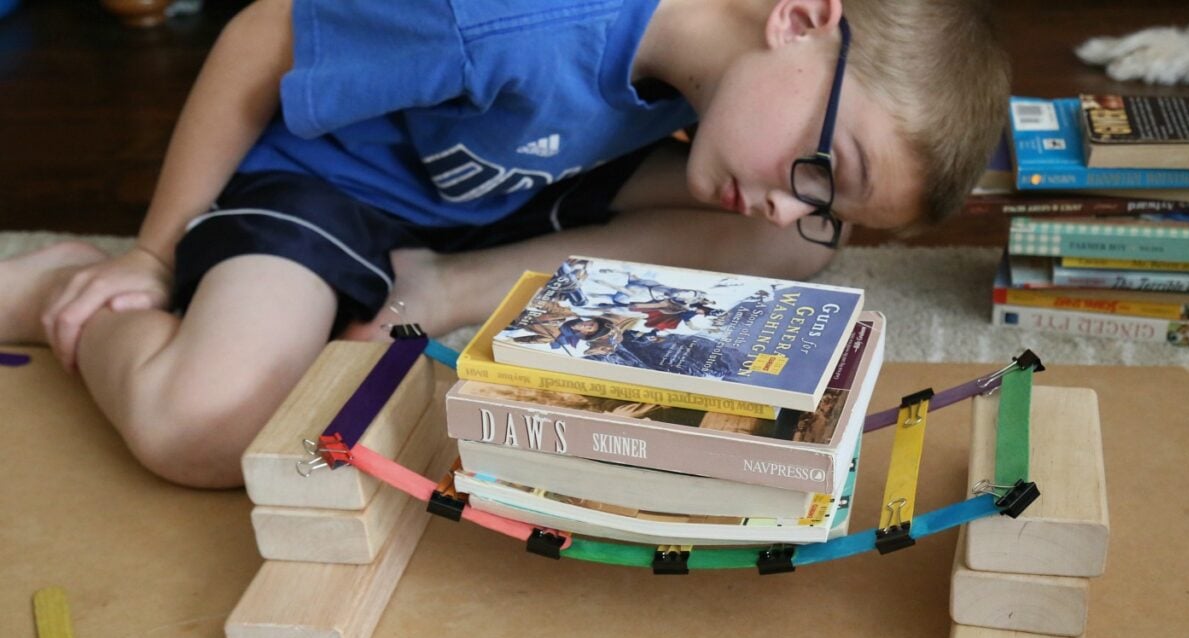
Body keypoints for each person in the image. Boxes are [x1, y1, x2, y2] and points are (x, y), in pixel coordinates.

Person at [0, 0, 1009, 487]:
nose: (792, 206)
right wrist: (152, 248)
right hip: (332, 187)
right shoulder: (511, 19)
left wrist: (441, 281)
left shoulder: (714, 86)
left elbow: (783, 230)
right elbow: (265, 34)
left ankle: (438, 286)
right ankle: (76, 295)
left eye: (831, 205)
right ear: (798, 17)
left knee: (794, 268)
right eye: (825, 172)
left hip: (507, 186)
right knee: (206, 431)